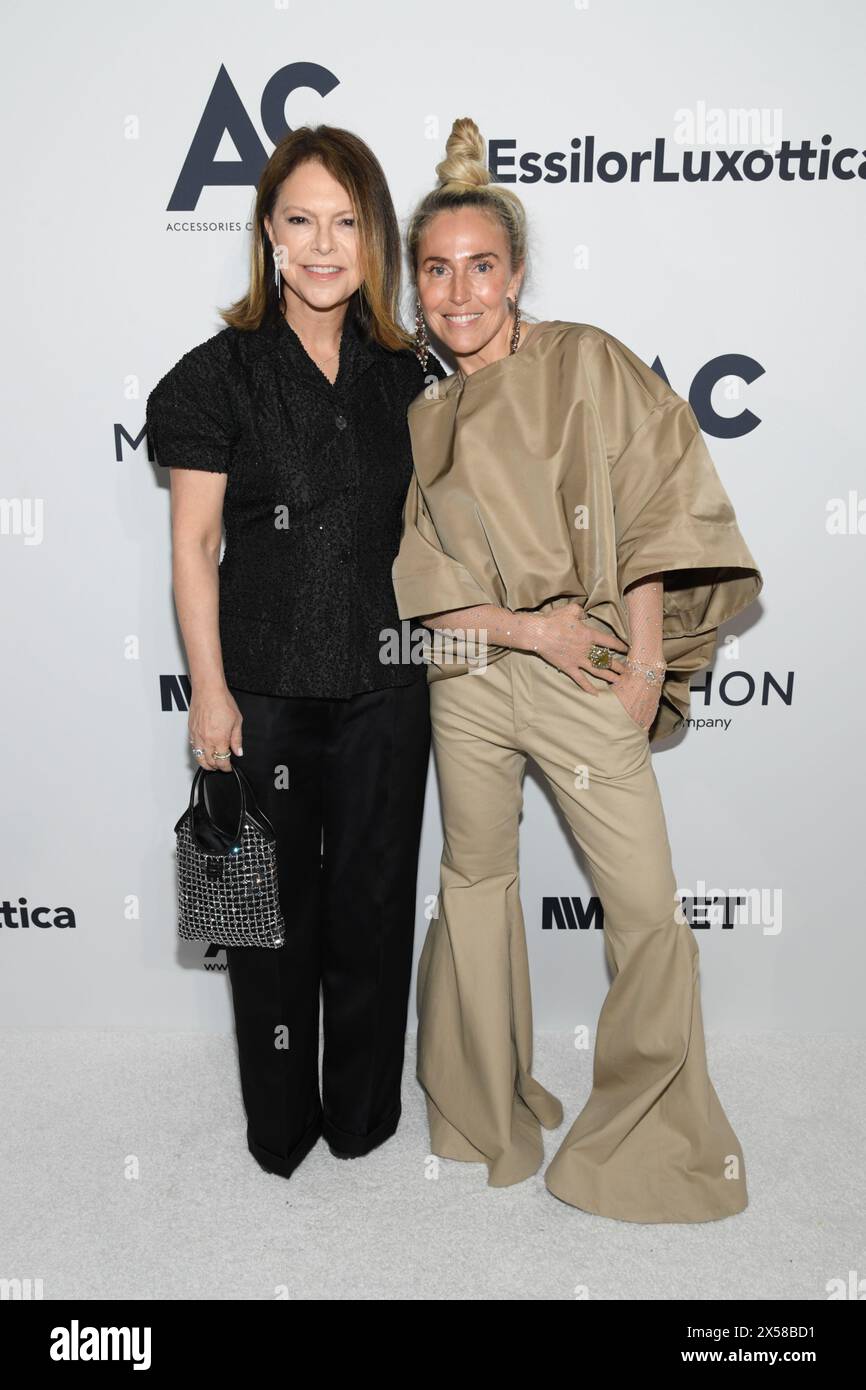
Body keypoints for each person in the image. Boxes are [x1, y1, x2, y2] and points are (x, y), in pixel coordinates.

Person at [392, 116, 763, 1223]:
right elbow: (418, 586)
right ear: (416, 284)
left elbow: (648, 508)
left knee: (644, 907)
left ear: (515, 271)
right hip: (468, 670)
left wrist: (640, 662)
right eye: (436, 271)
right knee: (473, 885)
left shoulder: (585, 362)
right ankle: (481, 1106)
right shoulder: (418, 409)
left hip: (586, 669)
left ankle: (648, 1137)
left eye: (481, 267)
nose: (459, 293)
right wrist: (523, 633)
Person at [145, 126, 444, 1178]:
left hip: (385, 684)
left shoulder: (409, 371)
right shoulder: (215, 375)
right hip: (262, 688)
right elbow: (193, 546)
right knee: (265, 919)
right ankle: (278, 1130)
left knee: (368, 900)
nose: (324, 244)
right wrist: (210, 695)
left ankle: (361, 1116)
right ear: (267, 233)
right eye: (301, 219)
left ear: (372, 242)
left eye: (347, 221)